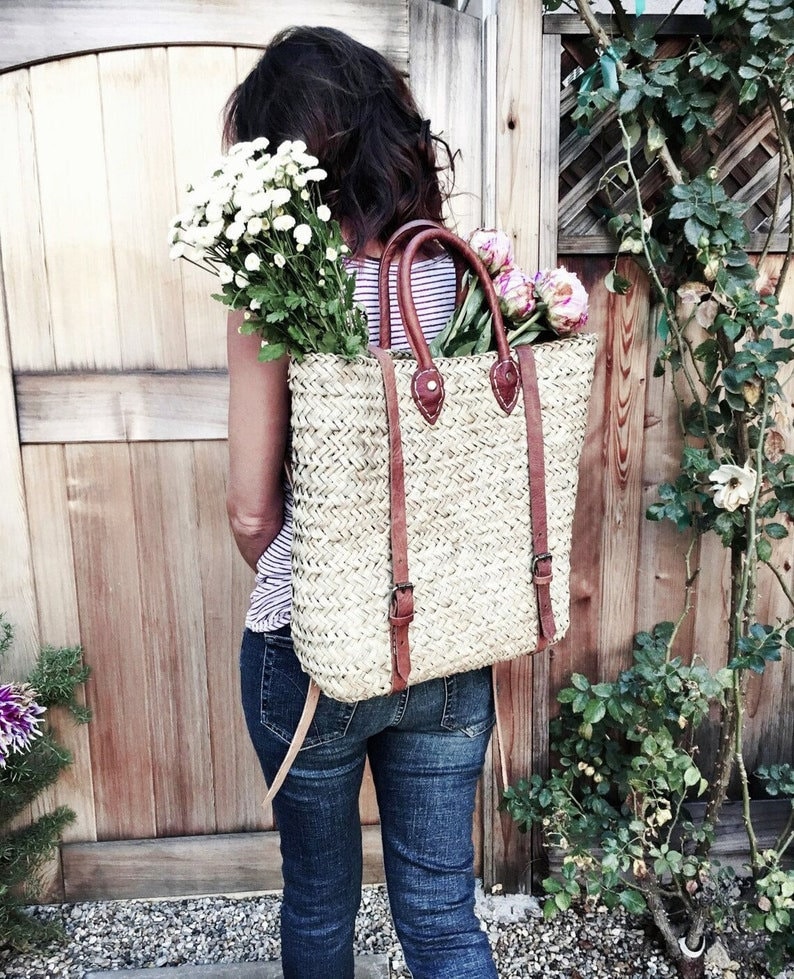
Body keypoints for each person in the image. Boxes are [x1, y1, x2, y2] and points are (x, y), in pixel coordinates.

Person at [223, 26, 498, 979]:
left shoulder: (277, 286)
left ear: (279, 153)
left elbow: (253, 511)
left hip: (316, 646)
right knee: (440, 910)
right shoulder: (460, 272)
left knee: (320, 902)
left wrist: (326, 582)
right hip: (449, 634)